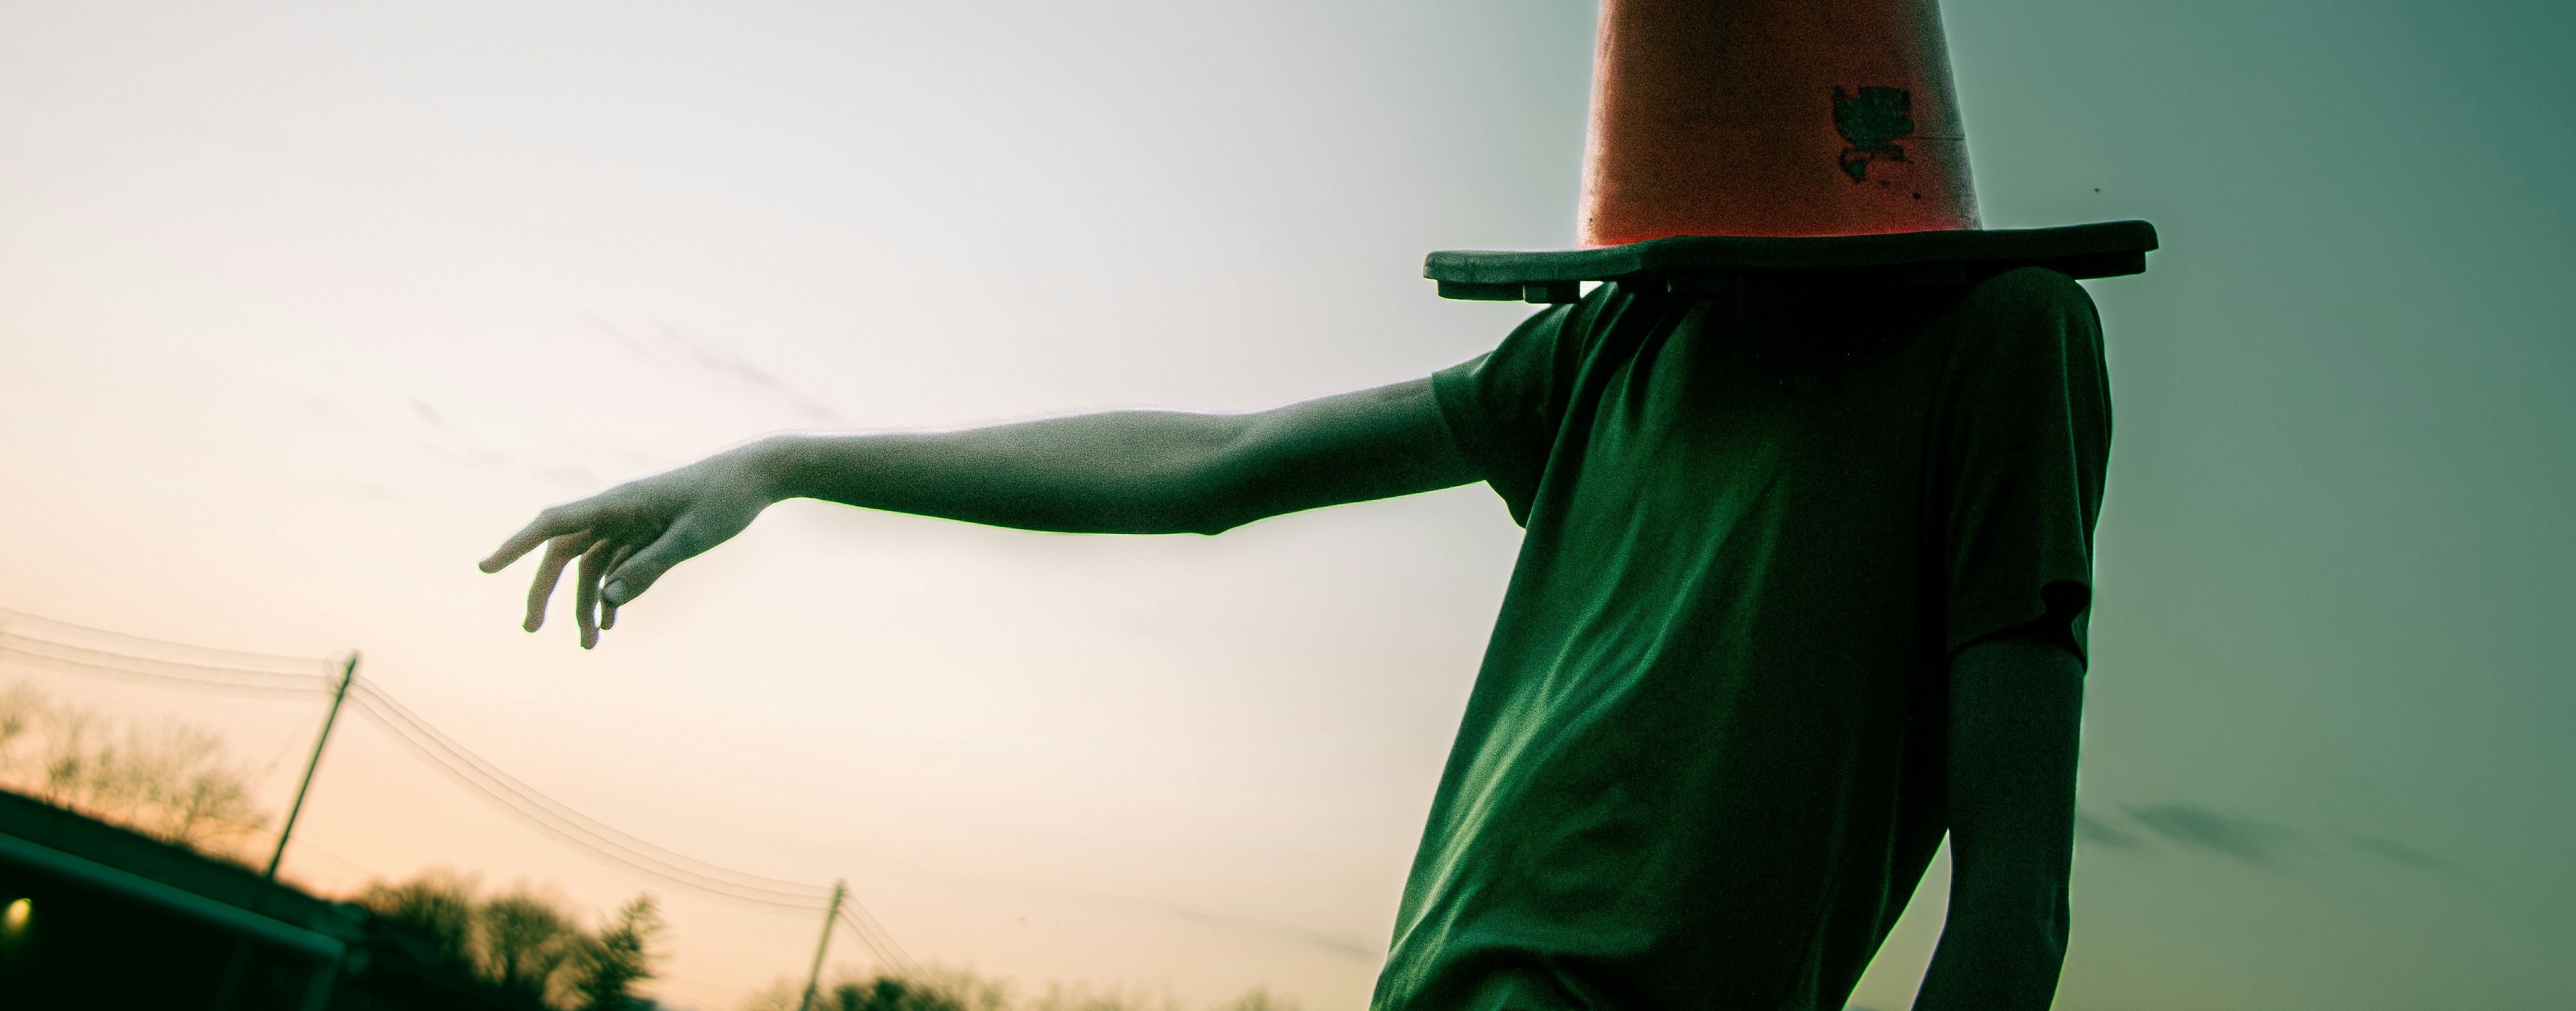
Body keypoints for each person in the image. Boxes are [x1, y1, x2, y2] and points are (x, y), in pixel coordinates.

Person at [482, 260, 2110, 1011]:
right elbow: (1219, 464)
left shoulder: (2000, 339)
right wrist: (788, 464)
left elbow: (2010, 918)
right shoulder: (1622, 338)